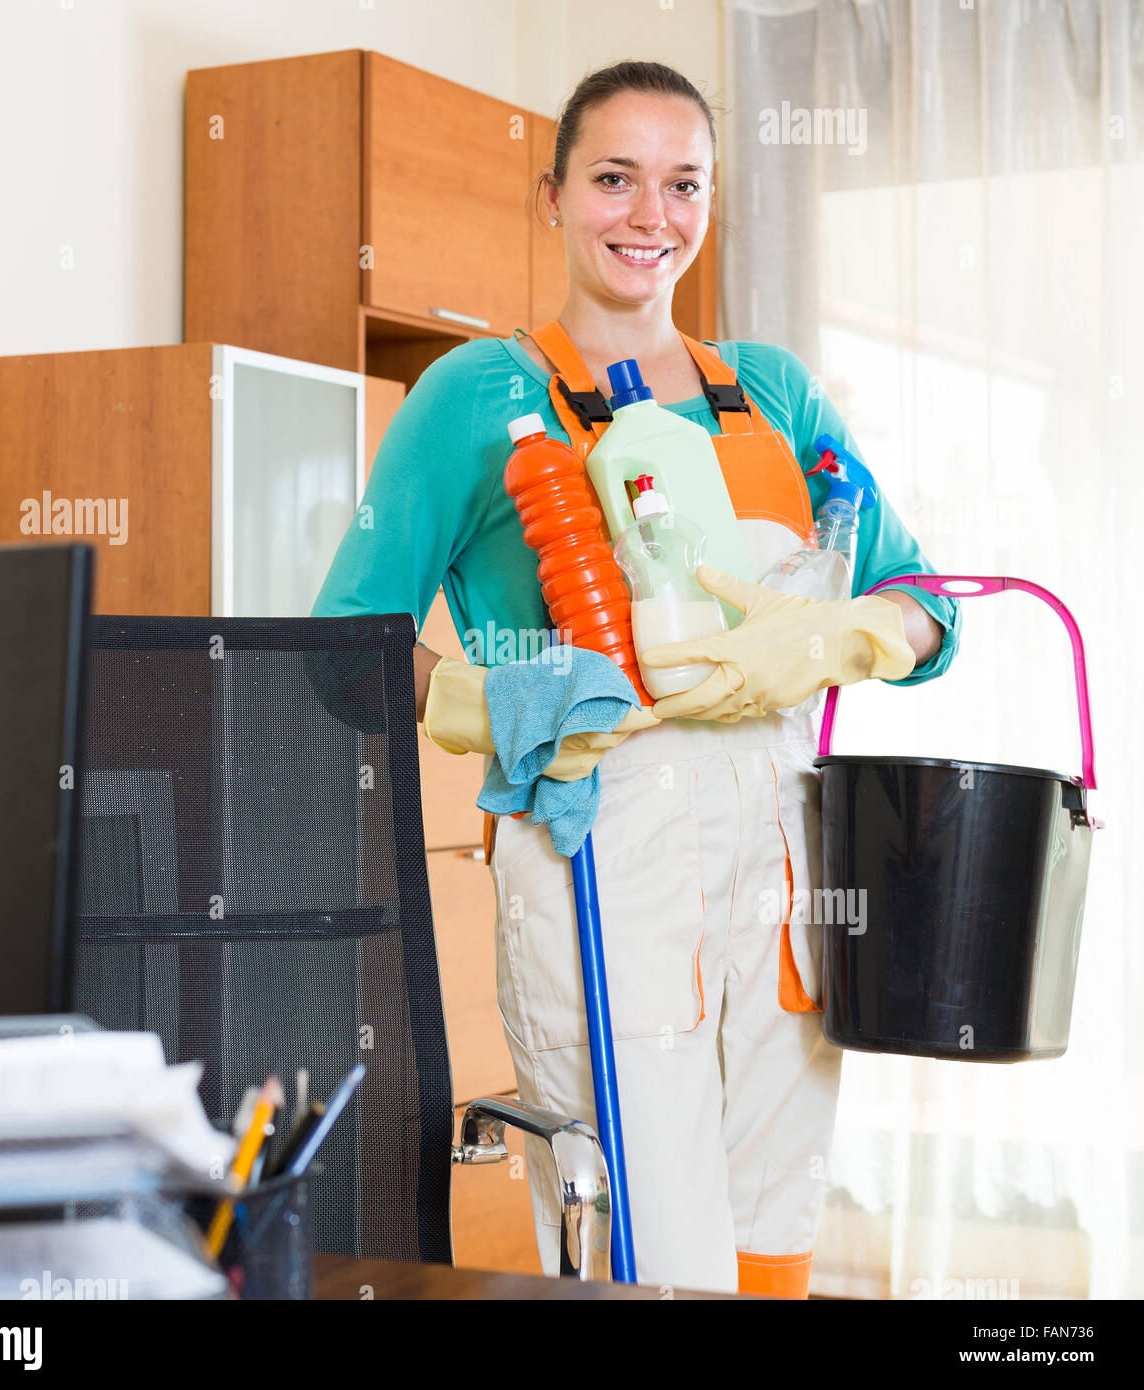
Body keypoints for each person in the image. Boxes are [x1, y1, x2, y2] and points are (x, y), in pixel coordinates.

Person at [312, 59, 959, 1296]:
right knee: (652, 1251)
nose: (648, 215)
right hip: (601, 852)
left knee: (772, 1227)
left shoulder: (770, 393)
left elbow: (926, 606)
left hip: (778, 868)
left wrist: (830, 640)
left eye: (682, 184)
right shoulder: (475, 397)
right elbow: (343, 648)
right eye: (613, 179)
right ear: (551, 196)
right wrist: (491, 705)